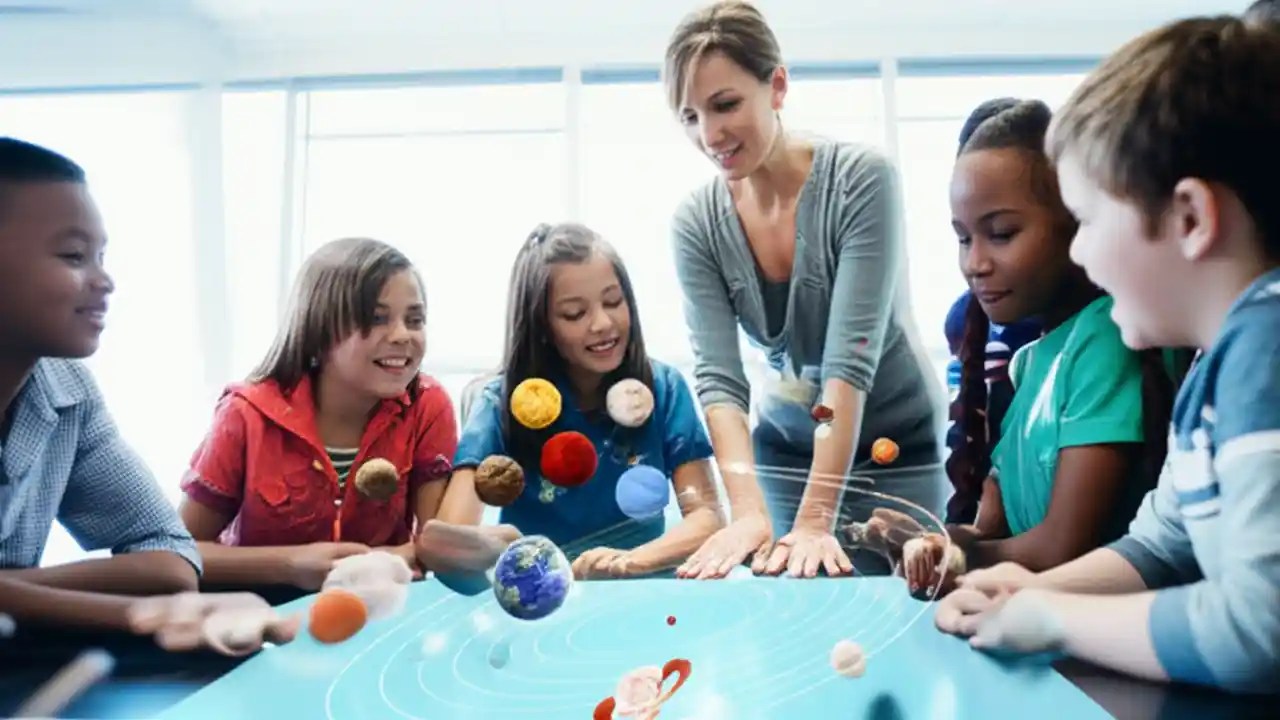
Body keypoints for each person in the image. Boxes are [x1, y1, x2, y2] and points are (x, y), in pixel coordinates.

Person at [936, 17, 1280, 694]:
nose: (1082, 252)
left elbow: (1260, 626)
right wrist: (1025, 590)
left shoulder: (1262, 352)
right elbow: (1159, 544)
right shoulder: (1217, 366)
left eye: (1090, 220)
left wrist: (1055, 616)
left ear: (1189, 219)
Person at [664, 0, 945, 580]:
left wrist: (817, 518)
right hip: (786, 456)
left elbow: (849, 361)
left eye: (725, 105)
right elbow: (719, 378)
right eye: (689, 116)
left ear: (777, 86)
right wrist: (746, 510)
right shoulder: (695, 223)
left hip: (897, 447)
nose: (709, 135)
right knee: (794, 625)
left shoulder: (863, 181)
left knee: (902, 613)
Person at [0, 137, 292, 656]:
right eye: (73, 256)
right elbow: (159, 592)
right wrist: (132, 612)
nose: (105, 280)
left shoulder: (69, 390)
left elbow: (170, 557)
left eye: (100, 256)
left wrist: (14, 591)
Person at [880, 99, 1180, 597]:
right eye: (963, 238)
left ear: (1077, 221)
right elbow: (995, 531)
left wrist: (961, 558)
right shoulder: (1028, 364)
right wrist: (930, 546)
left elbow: (1063, 547)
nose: (975, 262)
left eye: (1001, 234)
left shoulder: (1107, 339)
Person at [437, 223, 725, 580]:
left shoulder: (664, 388)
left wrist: (630, 561)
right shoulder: (499, 403)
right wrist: (496, 545)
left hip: (642, 593)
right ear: (540, 327)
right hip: (538, 600)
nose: (603, 323)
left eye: (613, 301)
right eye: (575, 314)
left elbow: (708, 516)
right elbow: (449, 538)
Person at [178, 238, 459, 592]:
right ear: (319, 329)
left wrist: (388, 561)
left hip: (377, 617)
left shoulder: (428, 405)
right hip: (260, 618)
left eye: (415, 319)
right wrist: (290, 565)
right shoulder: (244, 414)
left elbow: (436, 546)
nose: (403, 335)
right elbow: (178, 554)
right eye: (376, 318)